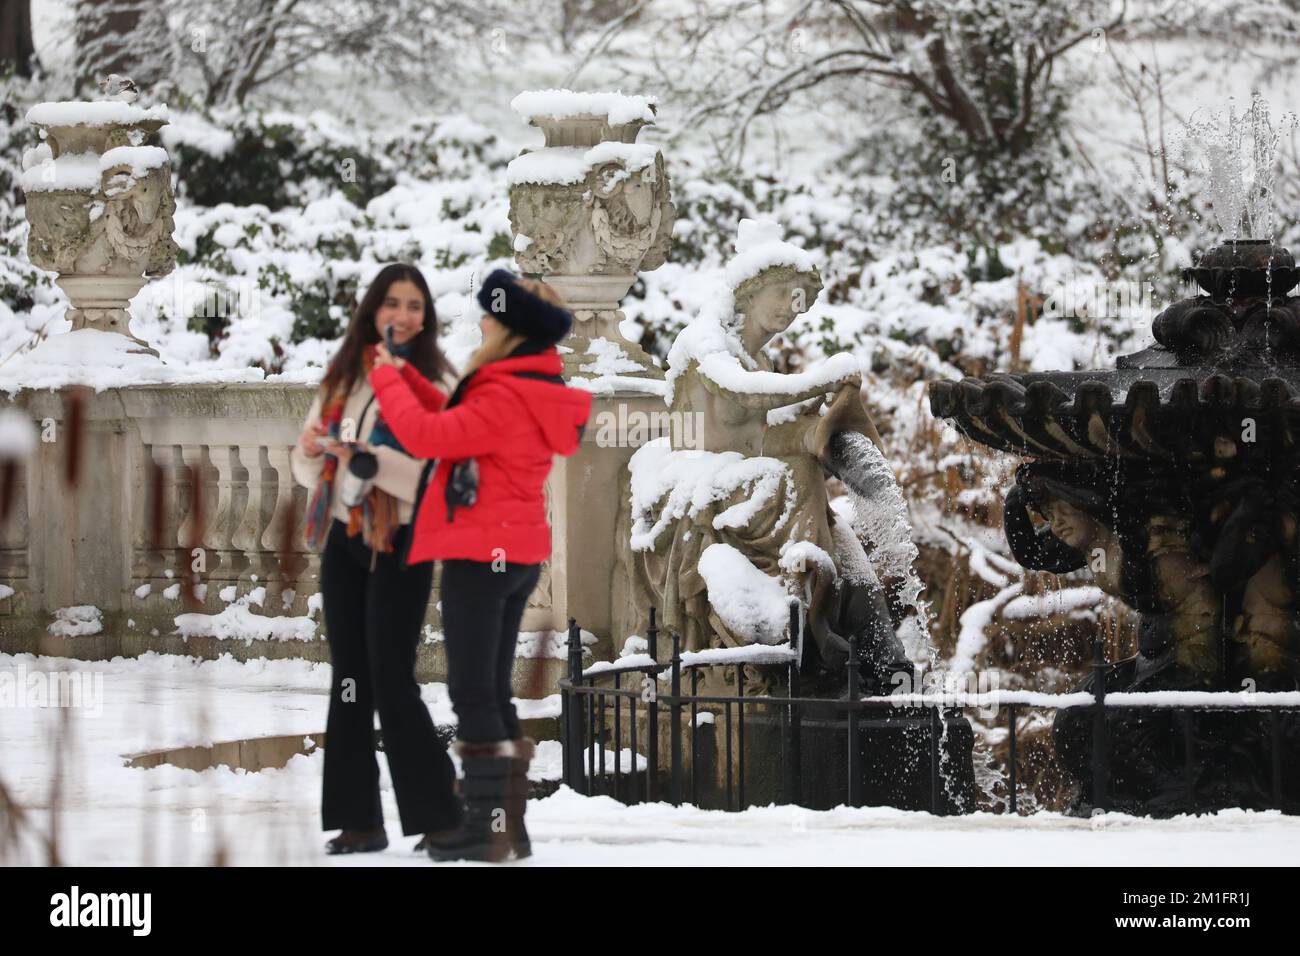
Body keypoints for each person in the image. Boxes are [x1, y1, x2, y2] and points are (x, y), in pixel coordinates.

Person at [369, 269, 592, 862]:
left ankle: (486, 829)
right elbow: (451, 426)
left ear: (513, 329)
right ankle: (504, 827)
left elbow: (426, 436)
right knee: (491, 688)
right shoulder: (529, 387)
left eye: (493, 316)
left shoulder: (503, 391)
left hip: (481, 556)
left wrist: (387, 379)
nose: (484, 322)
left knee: (473, 690)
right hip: (513, 553)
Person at [290, 263, 461, 855]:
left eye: (415, 305)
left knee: (390, 676)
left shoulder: (436, 382)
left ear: (426, 316)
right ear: (373, 309)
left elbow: (442, 476)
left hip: (402, 539)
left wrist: (373, 461)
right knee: (350, 679)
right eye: (393, 303)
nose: (404, 315)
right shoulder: (345, 376)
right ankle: (359, 820)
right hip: (343, 535)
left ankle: (444, 815)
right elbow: (304, 467)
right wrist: (316, 453)